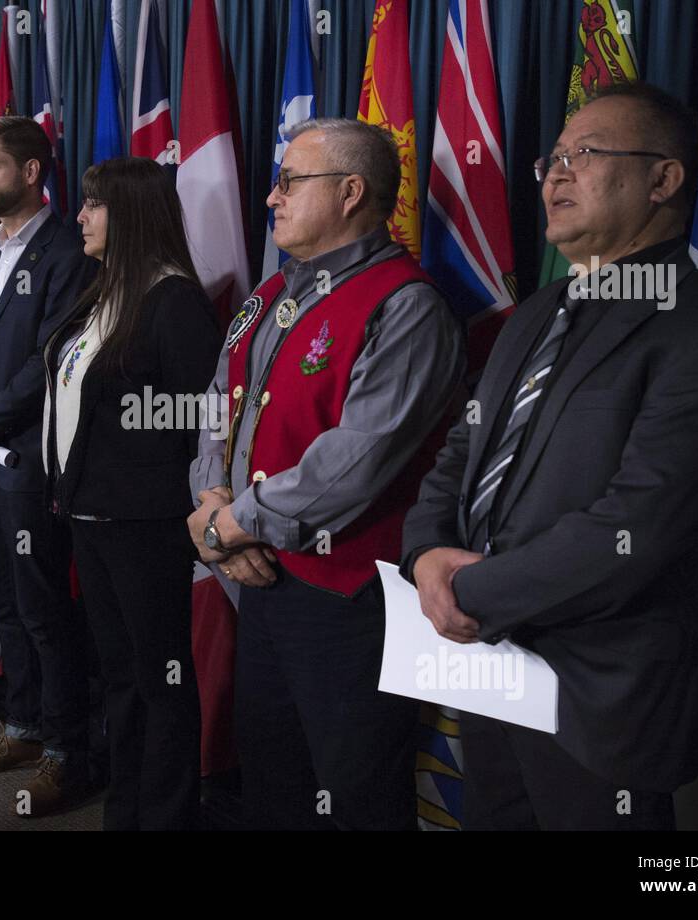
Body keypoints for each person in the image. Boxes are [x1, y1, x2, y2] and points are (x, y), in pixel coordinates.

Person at [400, 83, 698, 831]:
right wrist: (427, 554)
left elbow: (638, 530)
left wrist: (470, 593)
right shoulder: (534, 313)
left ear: (663, 180)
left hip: (600, 700)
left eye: (586, 155)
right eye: (553, 158)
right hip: (488, 674)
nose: (555, 176)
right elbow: (462, 454)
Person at [187, 118, 466, 831]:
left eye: (289, 182)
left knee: (357, 793)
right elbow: (218, 405)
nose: (271, 199)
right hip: (261, 582)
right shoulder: (269, 294)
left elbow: (355, 462)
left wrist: (228, 522)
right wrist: (209, 495)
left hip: (350, 602)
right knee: (274, 780)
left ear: (350, 191)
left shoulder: (405, 304)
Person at [44, 157, 220, 830]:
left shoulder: (172, 301)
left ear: (133, 214)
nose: (81, 216)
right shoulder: (104, 288)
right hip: (90, 516)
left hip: (146, 525)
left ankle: (169, 817)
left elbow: (202, 421)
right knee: (122, 677)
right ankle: (128, 813)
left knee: (161, 680)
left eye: (93, 205)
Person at [0, 115, 94, 817]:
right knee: (1, 605)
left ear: (32, 173)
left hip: (29, 462)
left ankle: (67, 752)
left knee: (42, 612)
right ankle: (24, 728)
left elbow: (52, 359)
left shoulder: (69, 251)